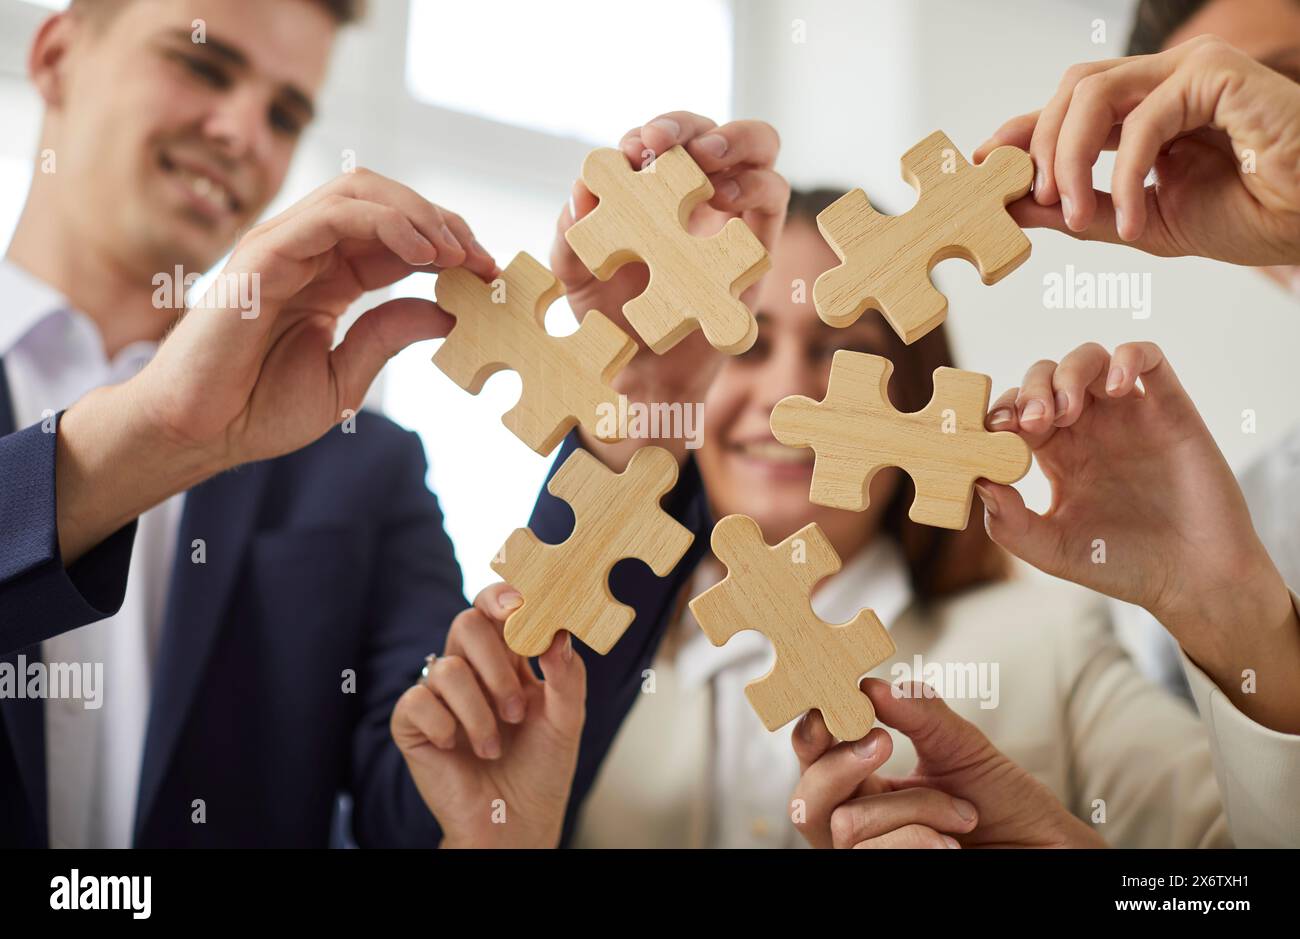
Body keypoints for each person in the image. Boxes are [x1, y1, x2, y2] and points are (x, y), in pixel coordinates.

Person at [0, 0, 788, 848]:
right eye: (202, 65)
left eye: (285, 112)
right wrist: (159, 435)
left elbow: (448, 791)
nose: (242, 134)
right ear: (55, 54)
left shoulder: (354, 461)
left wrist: (634, 395)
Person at [557, 189, 1227, 849]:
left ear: (913, 394)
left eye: (840, 350)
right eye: (746, 347)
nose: (790, 391)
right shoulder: (586, 669)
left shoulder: (1052, 648)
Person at [794, 10, 1300, 849]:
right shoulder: (1241, 539)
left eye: (1283, 82)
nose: (788, 387)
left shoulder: (1068, 643)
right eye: (1212, 123)